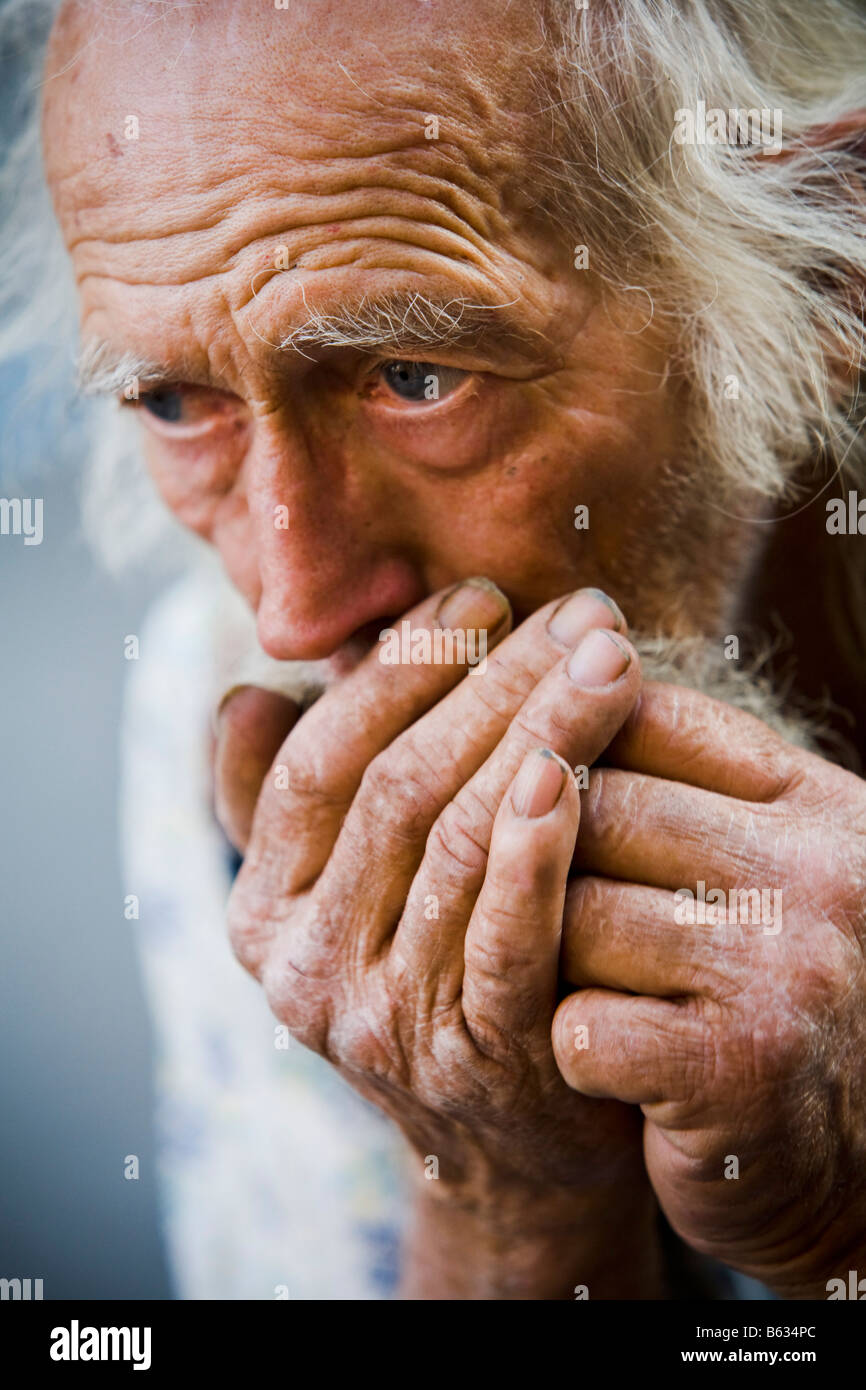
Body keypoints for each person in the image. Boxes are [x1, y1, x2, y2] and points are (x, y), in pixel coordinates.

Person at [9, 0, 866, 1297]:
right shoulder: (231, 694)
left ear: (822, 265)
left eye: (416, 376)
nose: (295, 612)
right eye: (176, 400)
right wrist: (508, 1201)